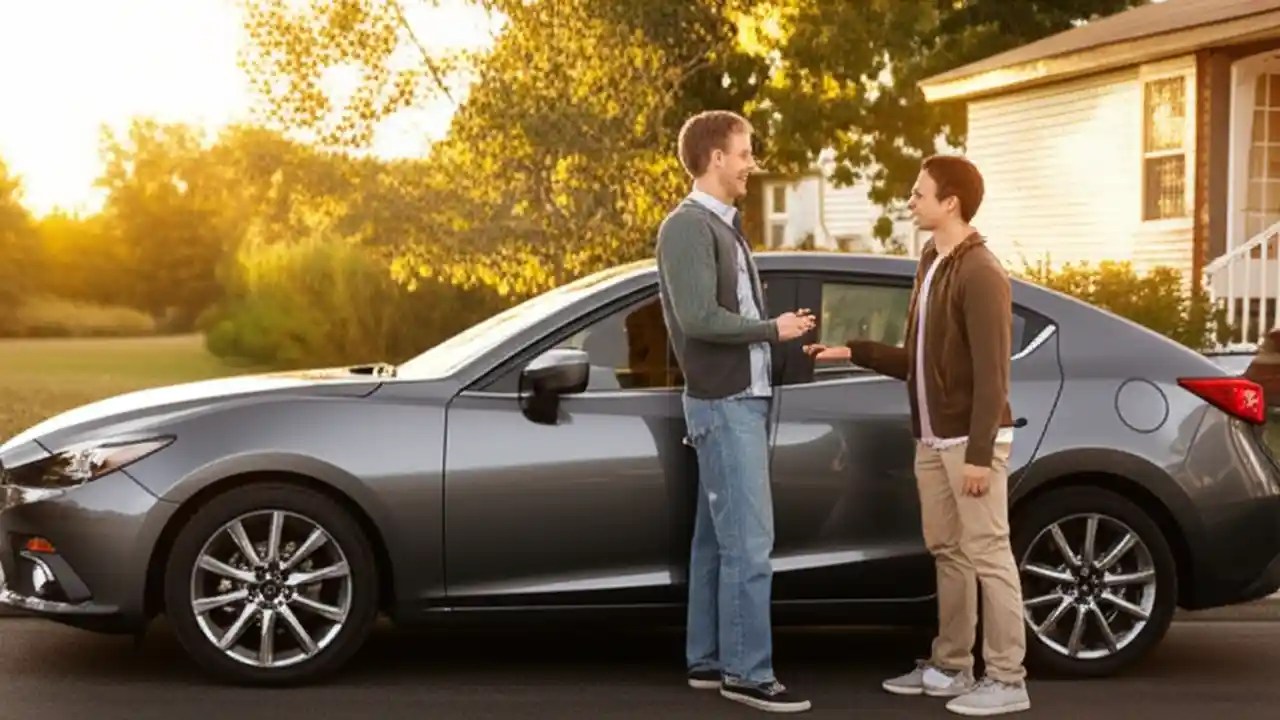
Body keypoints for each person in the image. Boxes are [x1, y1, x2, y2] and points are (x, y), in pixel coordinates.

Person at [804, 154, 1031, 716]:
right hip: (932, 441)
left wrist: (979, 455)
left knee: (990, 555)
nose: (910, 201)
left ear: (949, 202)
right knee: (949, 552)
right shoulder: (932, 260)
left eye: (918, 193)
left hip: (969, 445)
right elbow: (921, 360)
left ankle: (1007, 679)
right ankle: (952, 665)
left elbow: (991, 375)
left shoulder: (981, 273)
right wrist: (854, 351)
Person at [655, 109, 815, 713]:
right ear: (716, 158)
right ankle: (748, 674)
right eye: (745, 153)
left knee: (715, 542)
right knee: (750, 545)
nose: (753, 164)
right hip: (724, 404)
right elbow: (698, 319)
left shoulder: (721, 225)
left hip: (733, 401)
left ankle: (709, 659)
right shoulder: (688, 227)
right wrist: (772, 330)